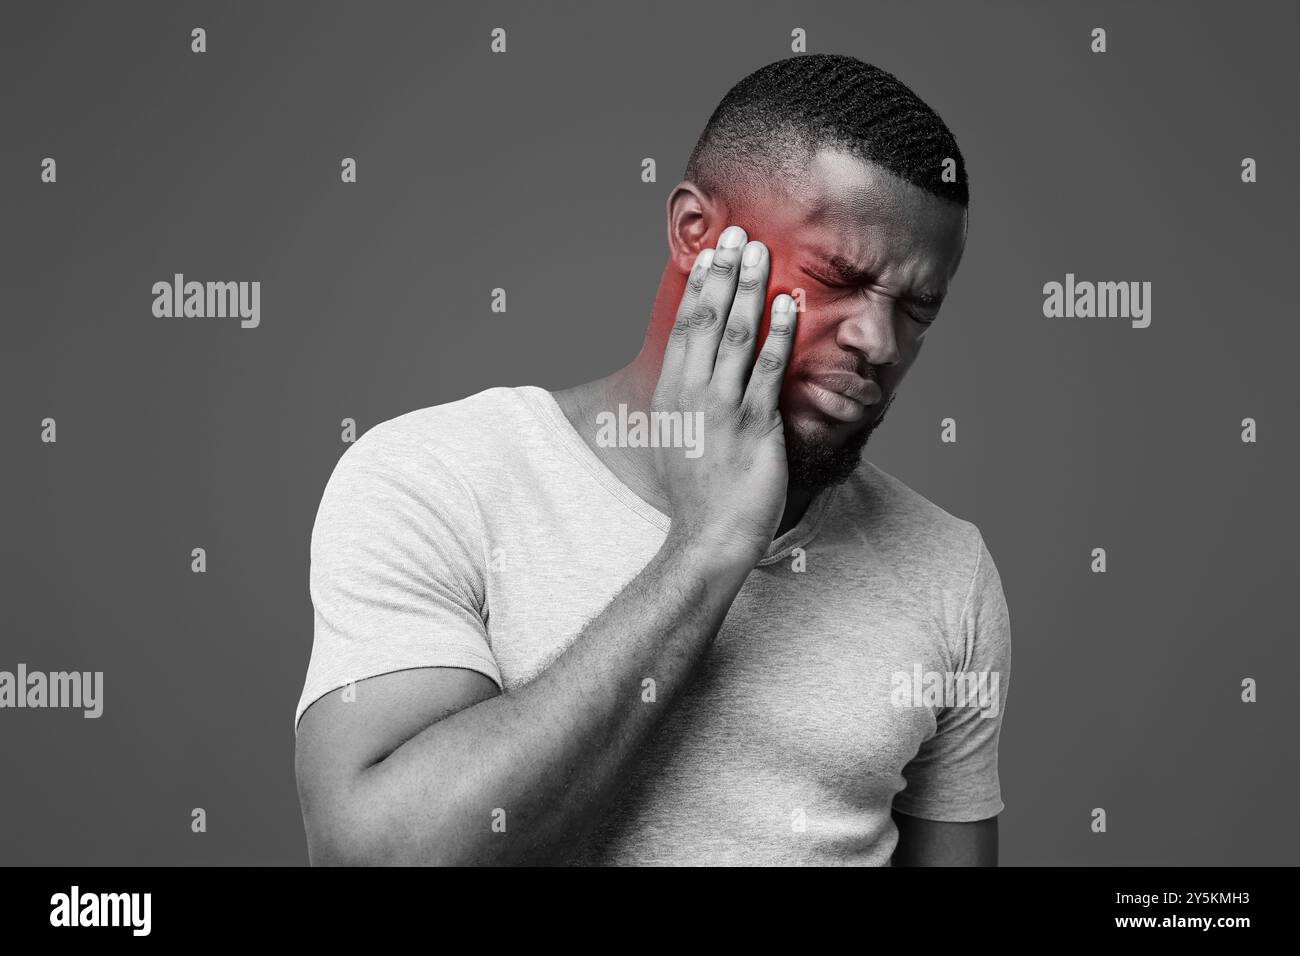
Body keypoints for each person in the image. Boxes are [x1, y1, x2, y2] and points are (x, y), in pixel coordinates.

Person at [294, 53, 1011, 866]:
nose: (878, 342)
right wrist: (707, 546)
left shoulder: (948, 569)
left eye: (917, 306)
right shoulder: (436, 478)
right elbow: (373, 857)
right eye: (837, 277)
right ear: (694, 233)